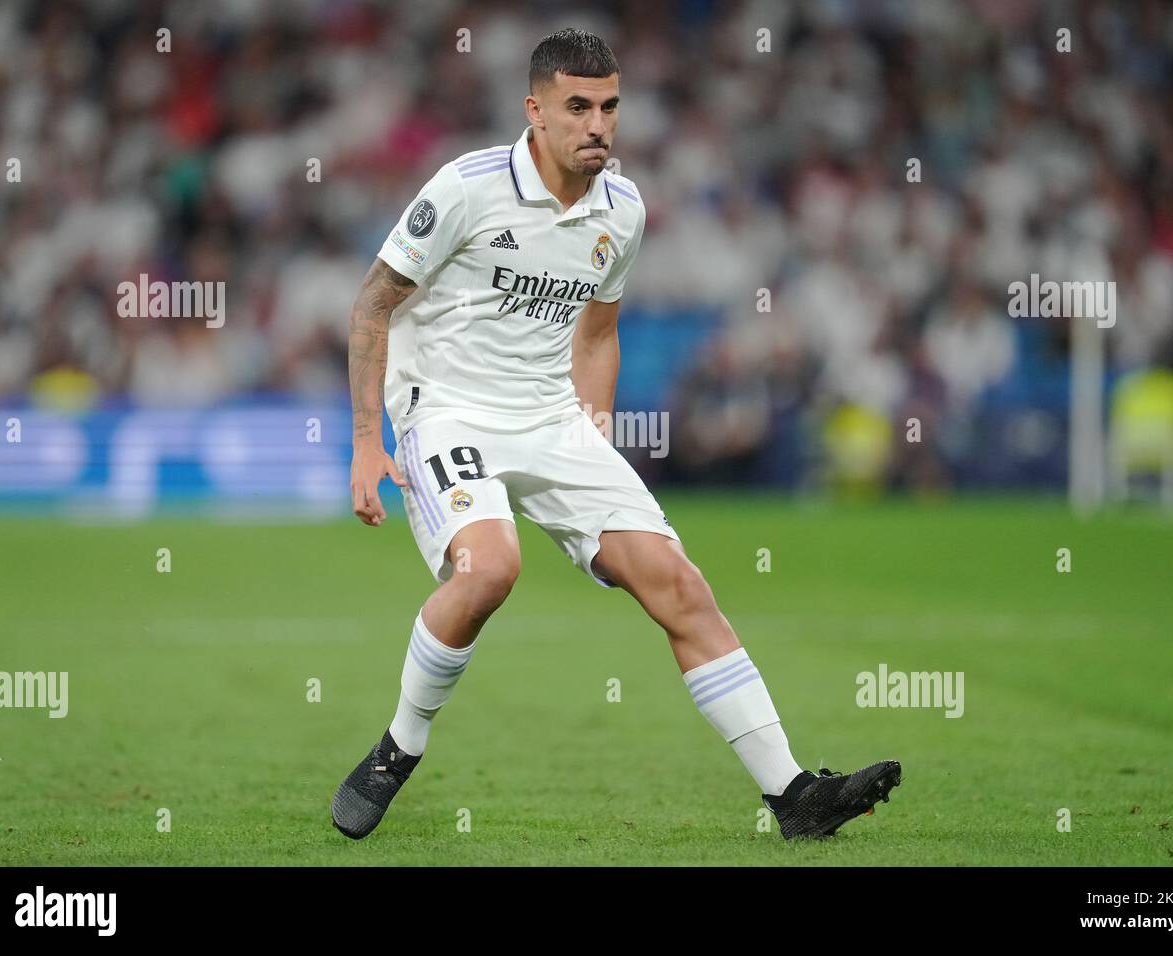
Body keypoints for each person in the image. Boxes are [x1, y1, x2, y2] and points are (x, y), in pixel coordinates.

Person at [332, 27, 901, 842]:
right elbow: (373, 304)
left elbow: (597, 336)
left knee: (680, 585)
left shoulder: (621, 208)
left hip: (552, 419)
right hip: (447, 410)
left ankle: (793, 798)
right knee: (491, 568)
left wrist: (593, 438)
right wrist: (365, 441)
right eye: (578, 107)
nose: (599, 124)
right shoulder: (465, 188)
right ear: (534, 111)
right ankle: (398, 749)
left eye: (609, 107)